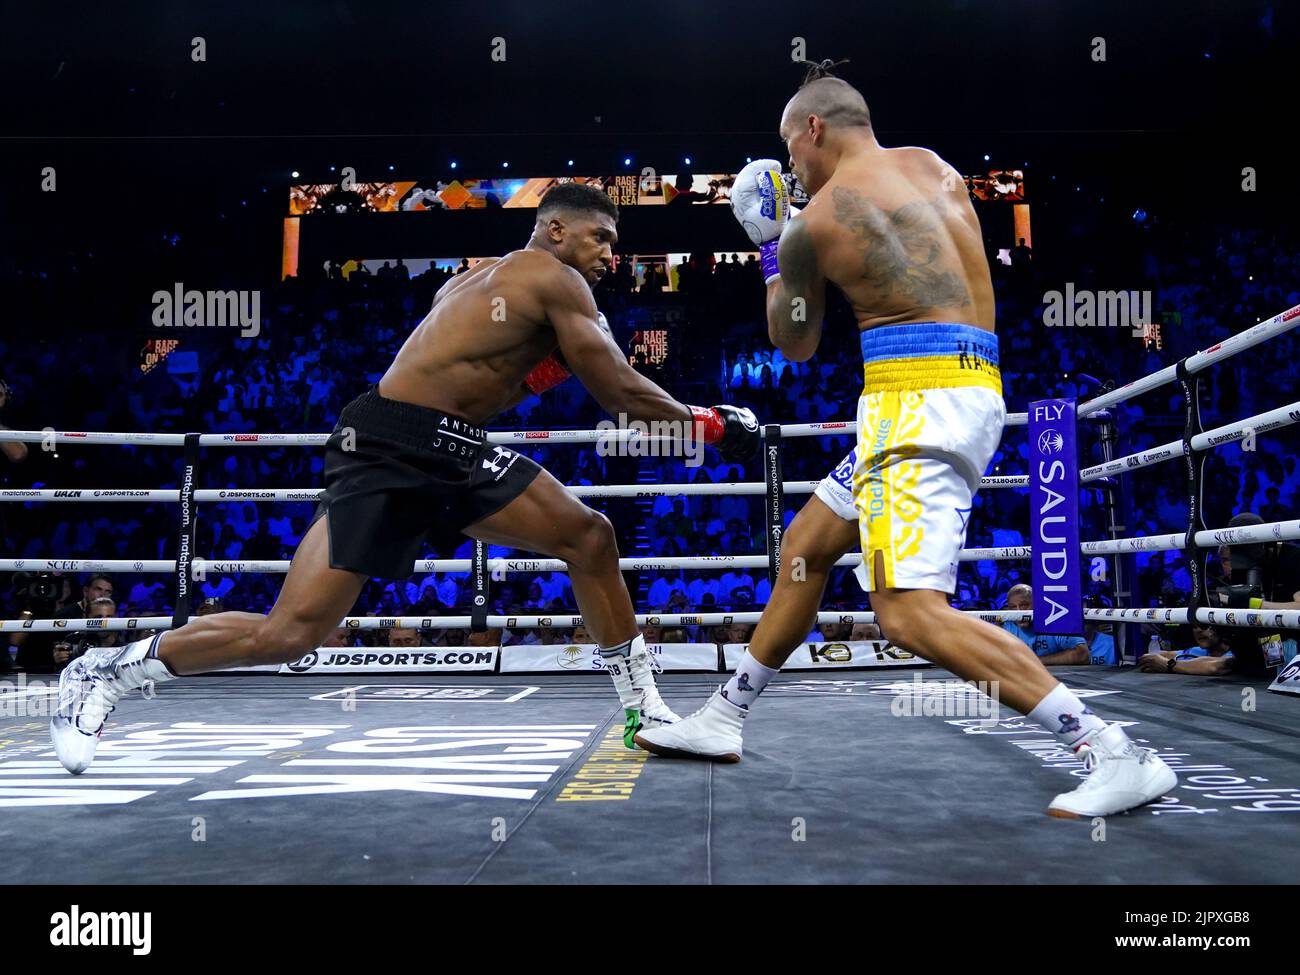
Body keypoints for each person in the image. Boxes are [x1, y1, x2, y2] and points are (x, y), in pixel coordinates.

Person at [52, 182, 760, 774]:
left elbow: (482, 380)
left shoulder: (477, 279)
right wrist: (713, 421)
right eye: (601, 237)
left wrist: (544, 369)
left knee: (588, 535)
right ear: (555, 229)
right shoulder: (555, 276)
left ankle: (644, 711)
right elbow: (622, 395)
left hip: (426, 437)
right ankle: (104, 671)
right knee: (293, 631)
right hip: (398, 444)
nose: (612, 253)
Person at [637, 60, 1176, 818]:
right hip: (968, 383)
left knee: (908, 612)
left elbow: (792, 343)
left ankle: (1111, 748)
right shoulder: (937, 167)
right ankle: (723, 716)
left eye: (792, 150)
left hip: (912, 404)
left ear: (815, 130)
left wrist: (769, 242)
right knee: (807, 547)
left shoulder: (816, 222)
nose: (792, 165)